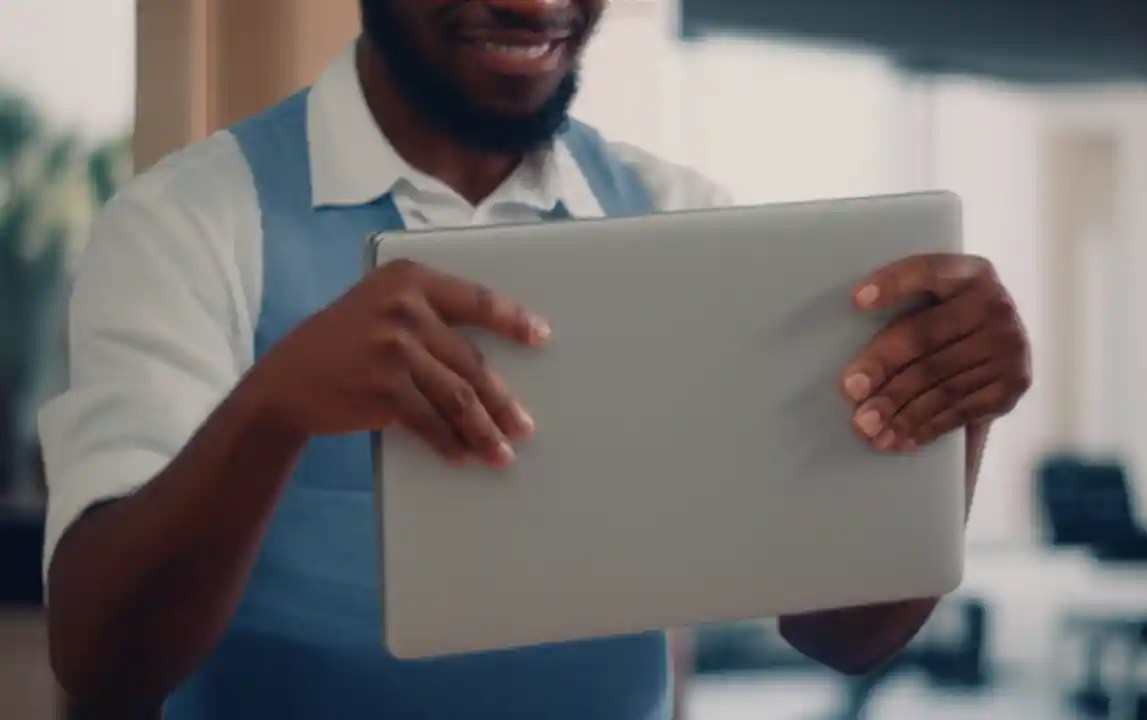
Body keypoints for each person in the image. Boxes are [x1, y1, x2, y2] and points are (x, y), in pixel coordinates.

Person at [39, 0, 1031, 717]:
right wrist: (275, 406)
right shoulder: (188, 225)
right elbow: (105, 665)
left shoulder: (683, 220)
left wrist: (959, 405)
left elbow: (842, 635)